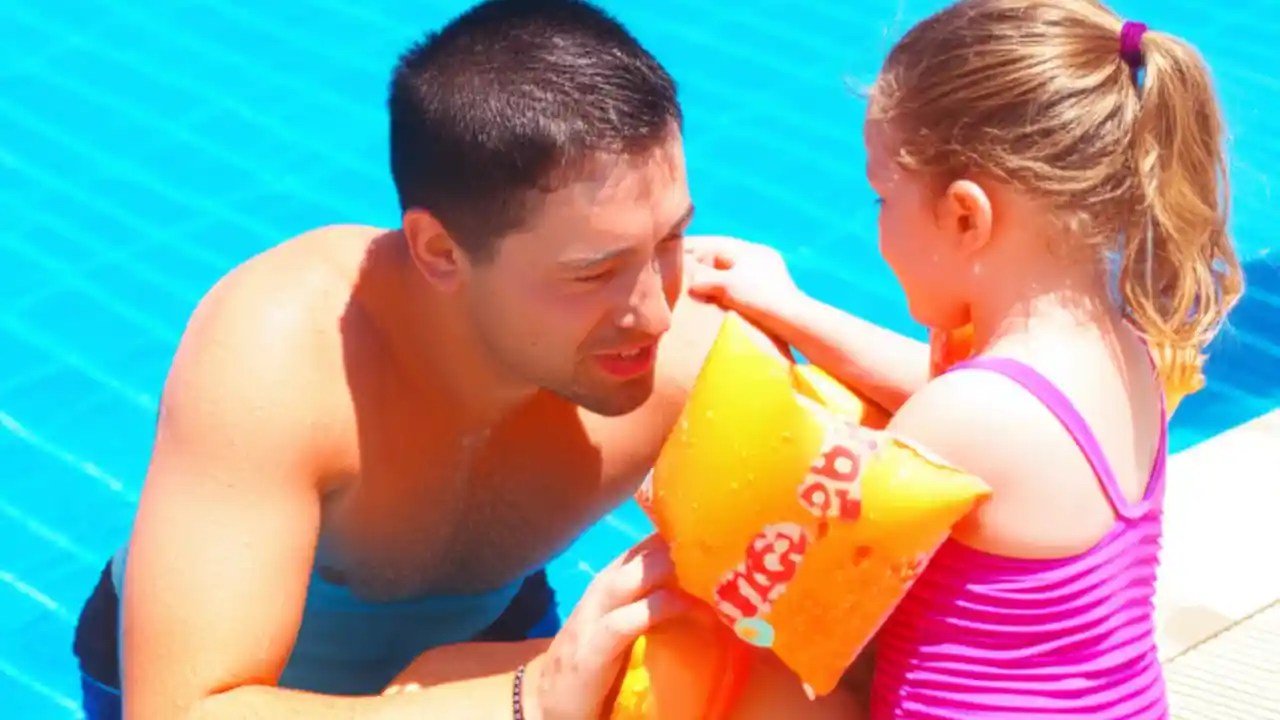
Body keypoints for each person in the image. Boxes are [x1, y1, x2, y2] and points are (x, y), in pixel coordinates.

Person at [69, 1, 772, 717]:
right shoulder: (286, 355)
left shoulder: (702, 356)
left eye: (669, 241)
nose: (655, 312)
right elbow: (180, 711)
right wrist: (535, 695)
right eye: (594, 273)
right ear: (440, 252)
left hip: (485, 640)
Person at [681, 0, 1243, 717]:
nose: (877, 221)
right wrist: (790, 307)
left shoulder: (964, 422)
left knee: (722, 651)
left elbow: (780, 587)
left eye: (882, 195)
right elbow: (942, 390)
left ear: (965, 216)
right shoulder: (1123, 351)